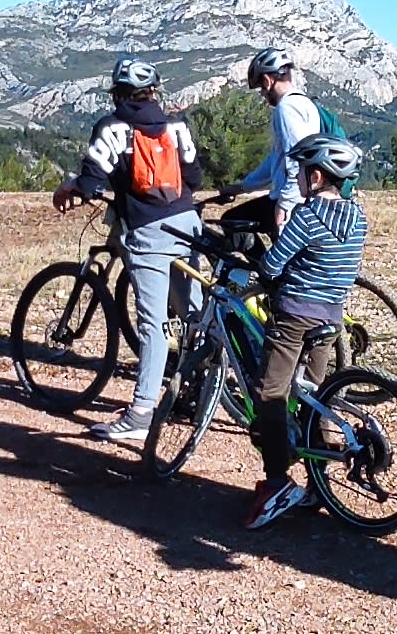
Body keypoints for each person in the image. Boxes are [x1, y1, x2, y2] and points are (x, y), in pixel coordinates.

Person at [51, 59, 206, 443]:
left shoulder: (112, 127)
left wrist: (71, 188)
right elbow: (195, 177)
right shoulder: (176, 125)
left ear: (117, 93)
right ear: (154, 91)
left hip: (147, 230)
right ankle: (205, 391)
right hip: (186, 222)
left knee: (153, 325)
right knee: (197, 315)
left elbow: (90, 182)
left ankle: (139, 414)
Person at [233, 134, 369, 530]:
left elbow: (272, 265)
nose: (299, 180)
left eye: (302, 173)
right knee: (315, 395)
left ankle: (277, 483)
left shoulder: (306, 218)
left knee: (270, 393)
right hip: (330, 318)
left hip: (294, 316)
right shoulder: (358, 217)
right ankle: (318, 483)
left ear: (318, 175)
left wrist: (256, 257)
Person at [217, 46, 327, 242]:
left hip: (293, 199)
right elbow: (276, 161)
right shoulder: (304, 103)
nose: (262, 94)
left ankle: (264, 270)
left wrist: (284, 205)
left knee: (232, 221)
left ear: (267, 81)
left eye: (260, 88)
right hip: (302, 195)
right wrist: (242, 187)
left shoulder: (286, 108)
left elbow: (297, 160)